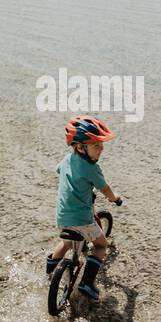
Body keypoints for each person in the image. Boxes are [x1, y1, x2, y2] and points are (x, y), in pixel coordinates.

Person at [47, 116, 123, 301]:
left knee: (66, 243)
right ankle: (87, 283)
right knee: (101, 245)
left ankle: (50, 270)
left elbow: (59, 170)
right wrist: (115, 198)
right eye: (96, 145)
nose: (101, 148)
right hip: (82, 219)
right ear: (81, 148)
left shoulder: (67, 159)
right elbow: (105, 189)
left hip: (63, 216)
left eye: (101, 145)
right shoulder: (91, 169)